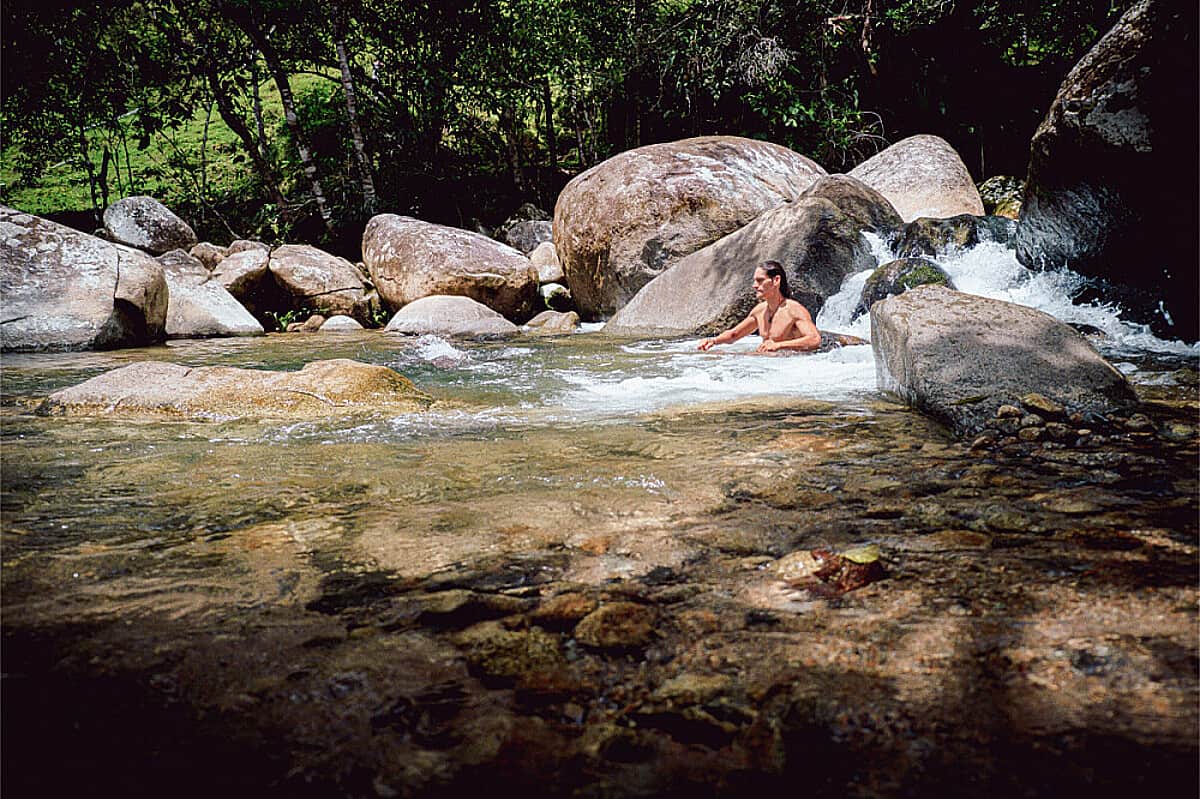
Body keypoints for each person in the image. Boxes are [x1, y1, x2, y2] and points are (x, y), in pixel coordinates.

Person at [697, 261, 821, 353]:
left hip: (796, 366)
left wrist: (779, 345)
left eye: (760, 280)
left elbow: (814, 339)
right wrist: (713, 341)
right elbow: (734, 334)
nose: (754, 286)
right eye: (755, 281)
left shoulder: (794, 310)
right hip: (773, 366)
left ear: (776, 280)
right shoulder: (760, 310)